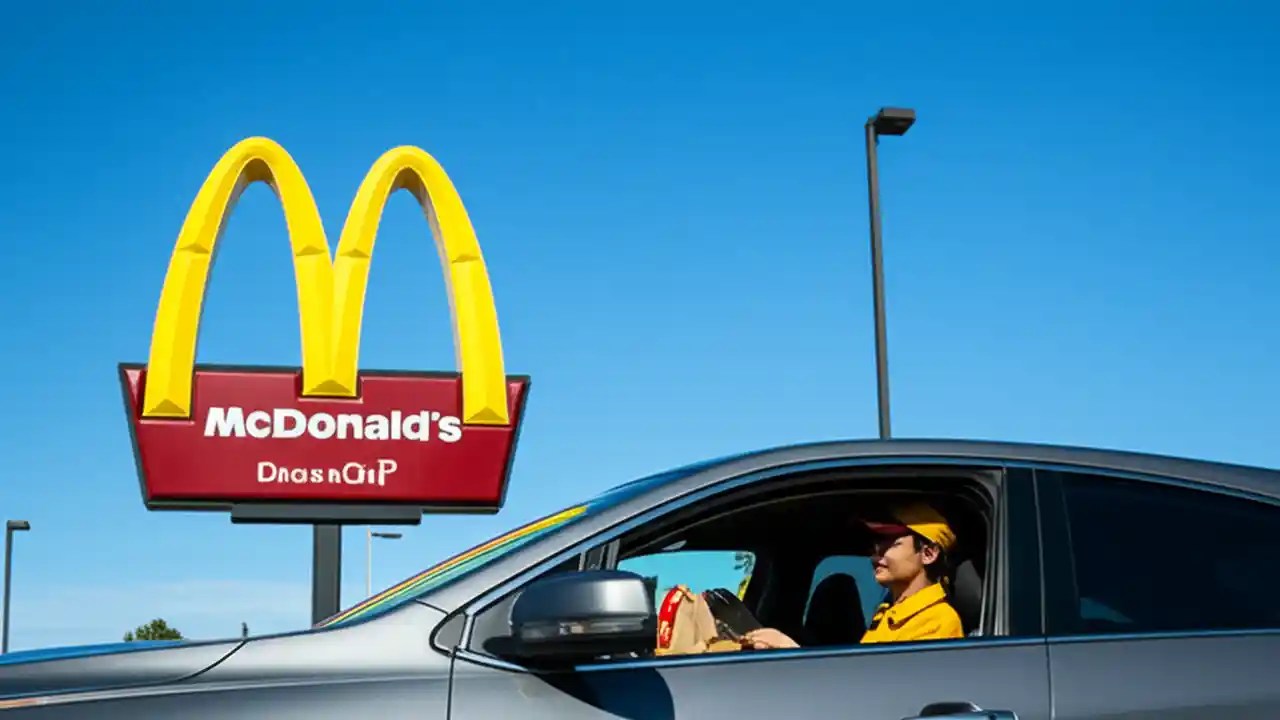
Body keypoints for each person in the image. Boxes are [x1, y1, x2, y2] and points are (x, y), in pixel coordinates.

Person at [743, 501, 964, 650]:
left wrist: (789, 650)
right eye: (876, 544)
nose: (876, 554)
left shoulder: (939, 622)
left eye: (891, 543)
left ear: (928, 553)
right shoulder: (887, 615)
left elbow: (879, 694)